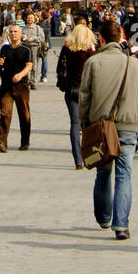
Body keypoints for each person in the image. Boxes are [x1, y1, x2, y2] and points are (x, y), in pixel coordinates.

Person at [78, 19, 138, 239]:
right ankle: (121, 224)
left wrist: (84, 121)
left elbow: (84, 97)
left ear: (100, 38)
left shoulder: (93, 62)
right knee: (124, 175)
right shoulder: (134, 63)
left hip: (101, 126)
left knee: (103, 171)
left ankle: (103, 217)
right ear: (121, 37)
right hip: (128, 125)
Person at [55, 20, 97, 169]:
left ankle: (78, 161)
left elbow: (60, 66)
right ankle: (90, 157)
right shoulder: (89, 51)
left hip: (71, 89)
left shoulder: (67, 48)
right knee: (89, 125)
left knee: (74, 124)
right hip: (87, 91)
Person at [0, 22, 32, 153]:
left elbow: (29, 66)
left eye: (16, 32)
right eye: (11, 32)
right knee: (5, 113)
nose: (13, 34)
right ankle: (1, 142)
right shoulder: (5, 49)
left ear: (21, 34)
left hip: (21, 85)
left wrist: (20, 75)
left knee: (24, 114)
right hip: (6, 86)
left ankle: (25, 141)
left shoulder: (26, 49)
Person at [21, 11, 46, 91]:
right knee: (25, 64)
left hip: (34, 47)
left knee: (34, 65)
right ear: (26, 19)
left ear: (34, 19)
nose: (30, 19)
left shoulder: (38, 28)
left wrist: (34, 39)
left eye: (31, 18)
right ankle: (26, 81)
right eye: (28, 18)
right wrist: (22, 38)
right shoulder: (23, 28)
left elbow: (42, 38)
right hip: (25, 47)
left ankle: (33, 82)